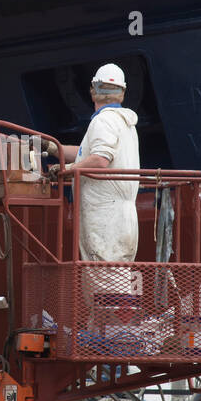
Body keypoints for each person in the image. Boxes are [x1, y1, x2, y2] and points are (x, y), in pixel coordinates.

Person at [57, 63, 140, 264]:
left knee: (106, 285)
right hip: (124, 218)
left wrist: (67, 170)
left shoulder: (103, 121)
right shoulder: (125, 123)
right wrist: (54, 148)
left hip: (105, 219)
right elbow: (87, 155)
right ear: (122, 91)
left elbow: (100, 159)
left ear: (94, 91)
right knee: (116, 280)